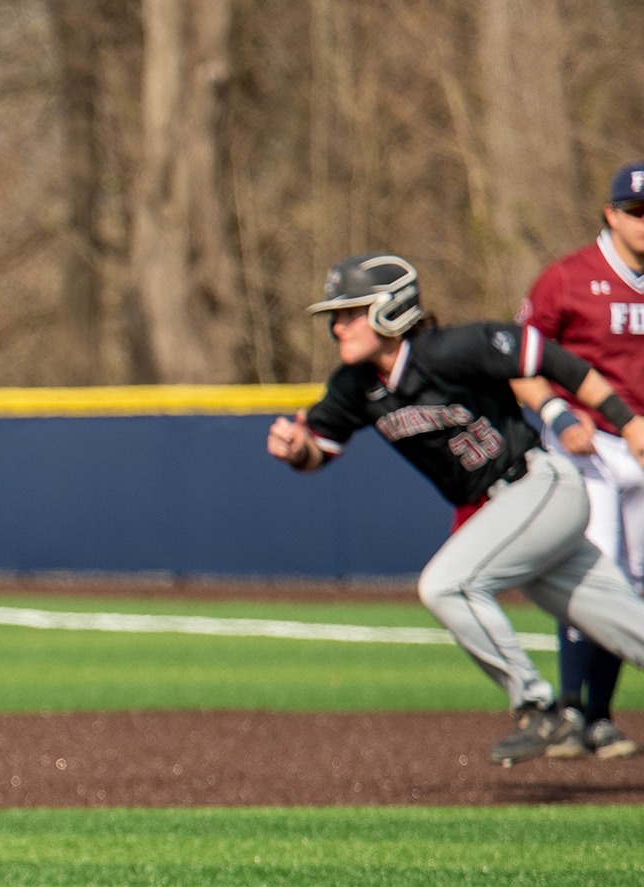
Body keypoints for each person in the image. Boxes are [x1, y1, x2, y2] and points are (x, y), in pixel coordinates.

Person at [268, 252, 644, 766]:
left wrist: (624, 420)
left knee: (445, 583)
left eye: (350, 312)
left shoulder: (452, 350)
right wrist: (297, 451)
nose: (338, 326)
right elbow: (320, 449)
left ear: (389, 310)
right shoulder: (356, 385)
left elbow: (556, 361)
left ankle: (537, 705)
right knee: (628, 626)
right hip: (510, 513)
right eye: (336, 315)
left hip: (541, 486)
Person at [502, 161, 644, 759]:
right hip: (591, 445)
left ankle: (597, 715)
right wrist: (559, 415)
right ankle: (571, 705)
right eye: (636, 213)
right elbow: (518, 362)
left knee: (634, 582)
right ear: (611, 214)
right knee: (595, 572)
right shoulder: (568, 278)